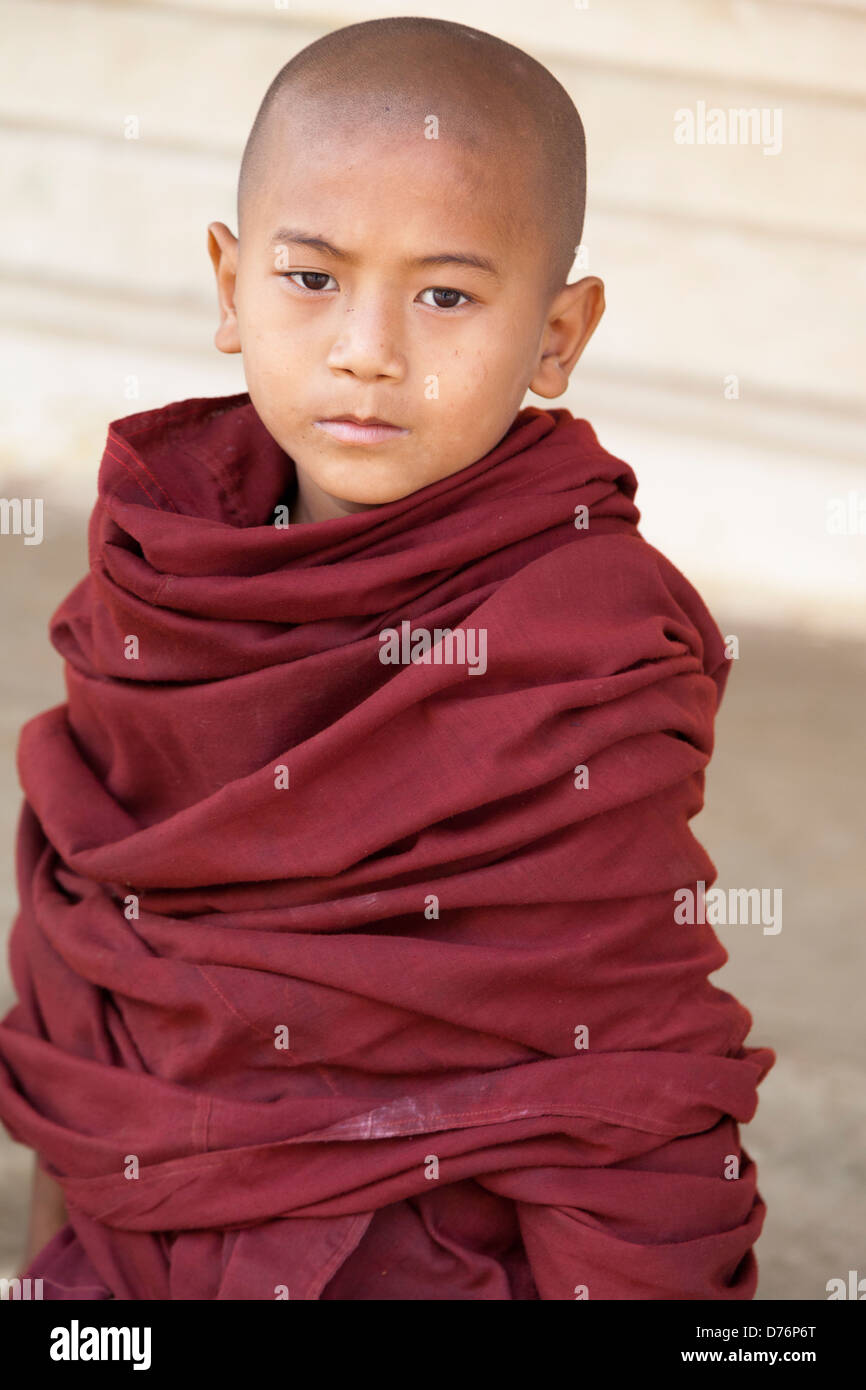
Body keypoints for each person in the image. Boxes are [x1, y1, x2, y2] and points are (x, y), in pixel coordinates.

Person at [1, 16, 772, 1300]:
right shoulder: (161, 560)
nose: (368, 347)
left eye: (445, 295)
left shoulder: (580, 622)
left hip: (427, 1240)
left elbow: (621, 1049)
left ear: (556, 335)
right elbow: (94, 967)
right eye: (311, 280)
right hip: (155, 1219)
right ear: (227, 286)